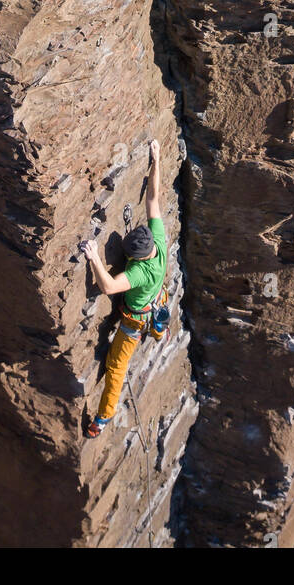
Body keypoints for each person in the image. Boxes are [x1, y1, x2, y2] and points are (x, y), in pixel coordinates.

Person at [82, 138, 167, 437]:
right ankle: (159, 330)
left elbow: (107, 287)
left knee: (115, 369)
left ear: (140, 258)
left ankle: (104, 417)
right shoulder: (159, 239)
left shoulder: (141, 272)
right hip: (156, 299)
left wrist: (93, 257)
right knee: (155, 316)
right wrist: (156, 160)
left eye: (130, 257)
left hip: (134, 321)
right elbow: (153, 199)